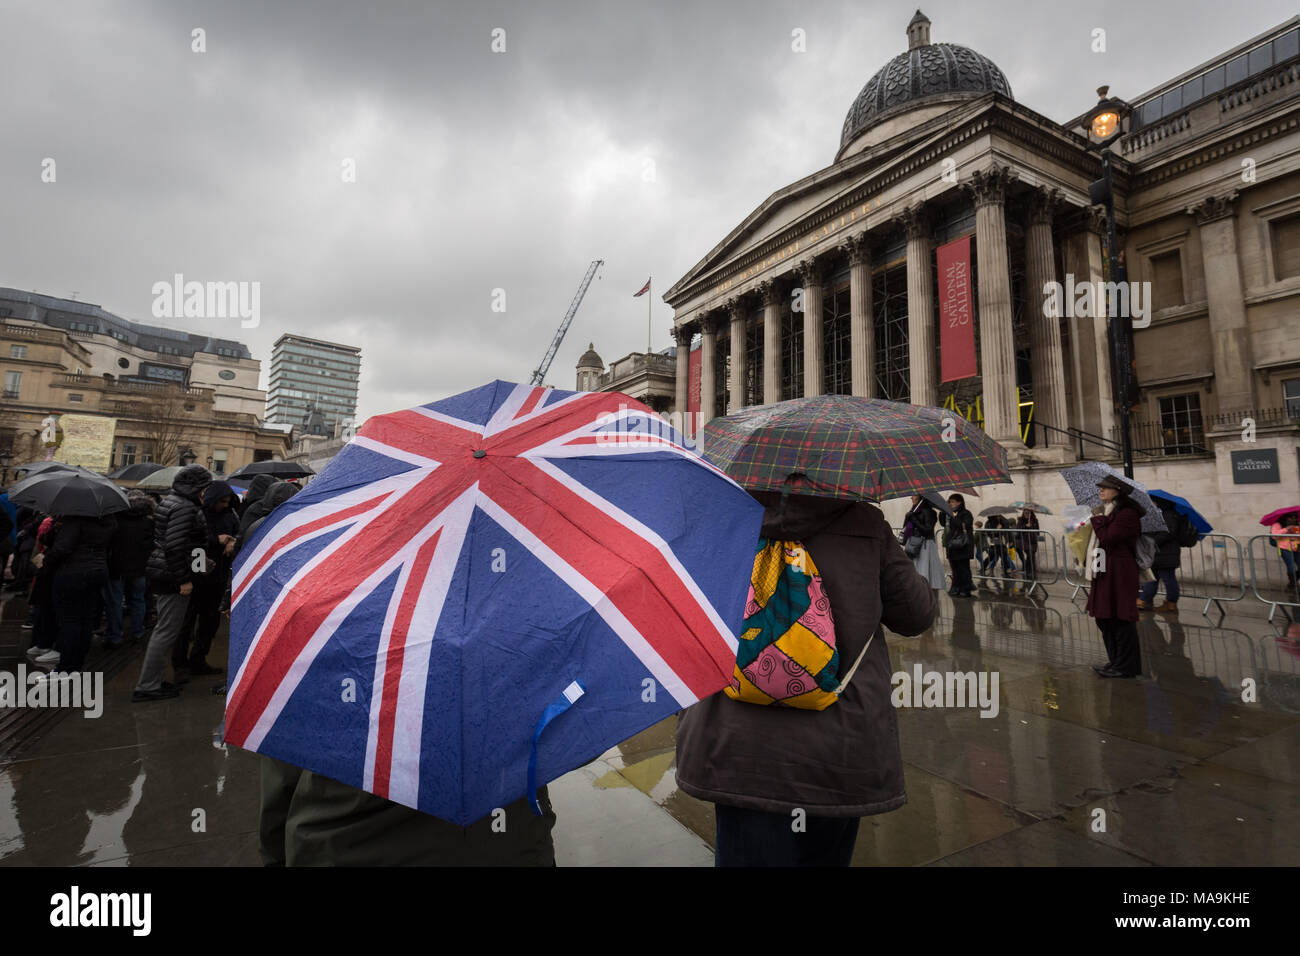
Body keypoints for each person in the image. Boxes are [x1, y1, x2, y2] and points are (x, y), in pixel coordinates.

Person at [675, 490, 937, 867]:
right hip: (839, 745)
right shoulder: (865, 523)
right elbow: (916, 615)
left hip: (737, 747)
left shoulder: (716, 518)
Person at [258, 757, 556, 866]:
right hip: (505, 847)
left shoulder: (321, 637)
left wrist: (276, 856)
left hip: (342, 848)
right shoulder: (525, 631)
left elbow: (283, 781)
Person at [133, 464, 212, 703]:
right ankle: (147, 685)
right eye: (204, 487)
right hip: (172, 576)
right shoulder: (185, 507)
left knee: (165, 630)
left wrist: (201, 562)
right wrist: (184, 579)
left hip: (166, 572)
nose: (205, 493)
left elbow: (183, 544)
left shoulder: (174, 502)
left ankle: (153, 681)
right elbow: (176, 546)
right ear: (195, 487)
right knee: (166, 632)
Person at [173, 481, 239, 680]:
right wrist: (215, 541)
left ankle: (199, 659)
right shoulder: (197, 514)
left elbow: (236, 533)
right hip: (199, 570)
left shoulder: (229, 515)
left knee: (210, 621)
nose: (225, 505)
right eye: (222, 501)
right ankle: (180, 663)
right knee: (188, 621)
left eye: (228, 501)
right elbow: (191, 542)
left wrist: (232, 542)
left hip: (218, 573)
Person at [40, 511, 117, 672]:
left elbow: (62, 548)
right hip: (98, 571)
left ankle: (66, 667)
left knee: (70, 621)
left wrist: (46, 561)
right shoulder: (108, 520)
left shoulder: (75, 520)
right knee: (86, 620)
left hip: (72, 573)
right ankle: (77, 663)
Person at [1086, 475, 1145, 678]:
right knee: (1104, 618)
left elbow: (1109, 537)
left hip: (1119, 569)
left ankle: (1126, 666)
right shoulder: (1109, 511)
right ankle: (1115, 660)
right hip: (1104, 567)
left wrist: (1098, 519)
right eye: (1100, 487)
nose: (1101, 491)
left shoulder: (1128, 513)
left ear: (1118, 490)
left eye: (1105, 488)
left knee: (1120, 619)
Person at [103, 491, 155, 647]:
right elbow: (152, 545)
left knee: (115, 602)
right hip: (139, 568)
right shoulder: (149, 523)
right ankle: (138, 632)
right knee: (138, 601)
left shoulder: (115, 520)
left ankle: (115, 636)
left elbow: (108, 543)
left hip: (116, 568)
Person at [1138, 498, 1188, 613]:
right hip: (1158, 554)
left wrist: (1152, 542)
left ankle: (1171, 603)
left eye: (1153, 502)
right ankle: (1144, 600)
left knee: (1168, 579)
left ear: (1160, 503)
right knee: (1152, 577)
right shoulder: (1160, 515)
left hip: (1166, 553)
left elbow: (1168, 532)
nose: (1151, 504)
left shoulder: (1169, 515)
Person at [902, 494, 945, 591]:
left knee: (924, 568)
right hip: (913, 543)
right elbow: (906, 528)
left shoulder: (929, 512)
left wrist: (914, 519)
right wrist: (908, 518)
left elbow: (927, 530)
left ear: (921, 497)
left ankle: (924, 589)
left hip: (925, 545)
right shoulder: (913, 511)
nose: (911, 497)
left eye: (914, 495)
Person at [939, 494, 975, 597]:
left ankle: (966, 588)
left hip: (963, 545)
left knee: (963, 567)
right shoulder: (948, 513)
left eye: (952, 501)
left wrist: (954, 517)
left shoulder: (966, 513)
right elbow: (942, 523)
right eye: (949, 502)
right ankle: (956, 587)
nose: (950, 503)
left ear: (959, 502)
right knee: (955, 568)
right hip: (952, 544)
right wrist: (943, 510)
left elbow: (964, 525)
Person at [1271, 511, 1300, 592]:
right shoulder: (1277, 525)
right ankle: (1293, 584)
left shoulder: (1297, 524)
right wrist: (1286, 529)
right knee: (1291, 566)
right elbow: (1274, 536)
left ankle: (1291, 583)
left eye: (1295, 518)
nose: (1293, 519)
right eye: (1291, 517)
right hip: (1285, 548)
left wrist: (1296, 531)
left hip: (1296, 548)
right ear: (1285, 517)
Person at [1015, 508, 1040, 581]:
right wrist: (1026, 526)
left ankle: (1028, 570)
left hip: (1033, 541)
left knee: (1031, 556)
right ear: (1023, 513)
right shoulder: (1021, 521)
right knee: (1030, 554)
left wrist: (1036, 534)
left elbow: (1038, 530)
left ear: (1031, 514)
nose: (1027, 514)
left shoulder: (1035, 520)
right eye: (1025, 513)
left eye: (1028, 513)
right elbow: (1018, 530)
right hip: (1025, 541)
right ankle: (1029, 571)